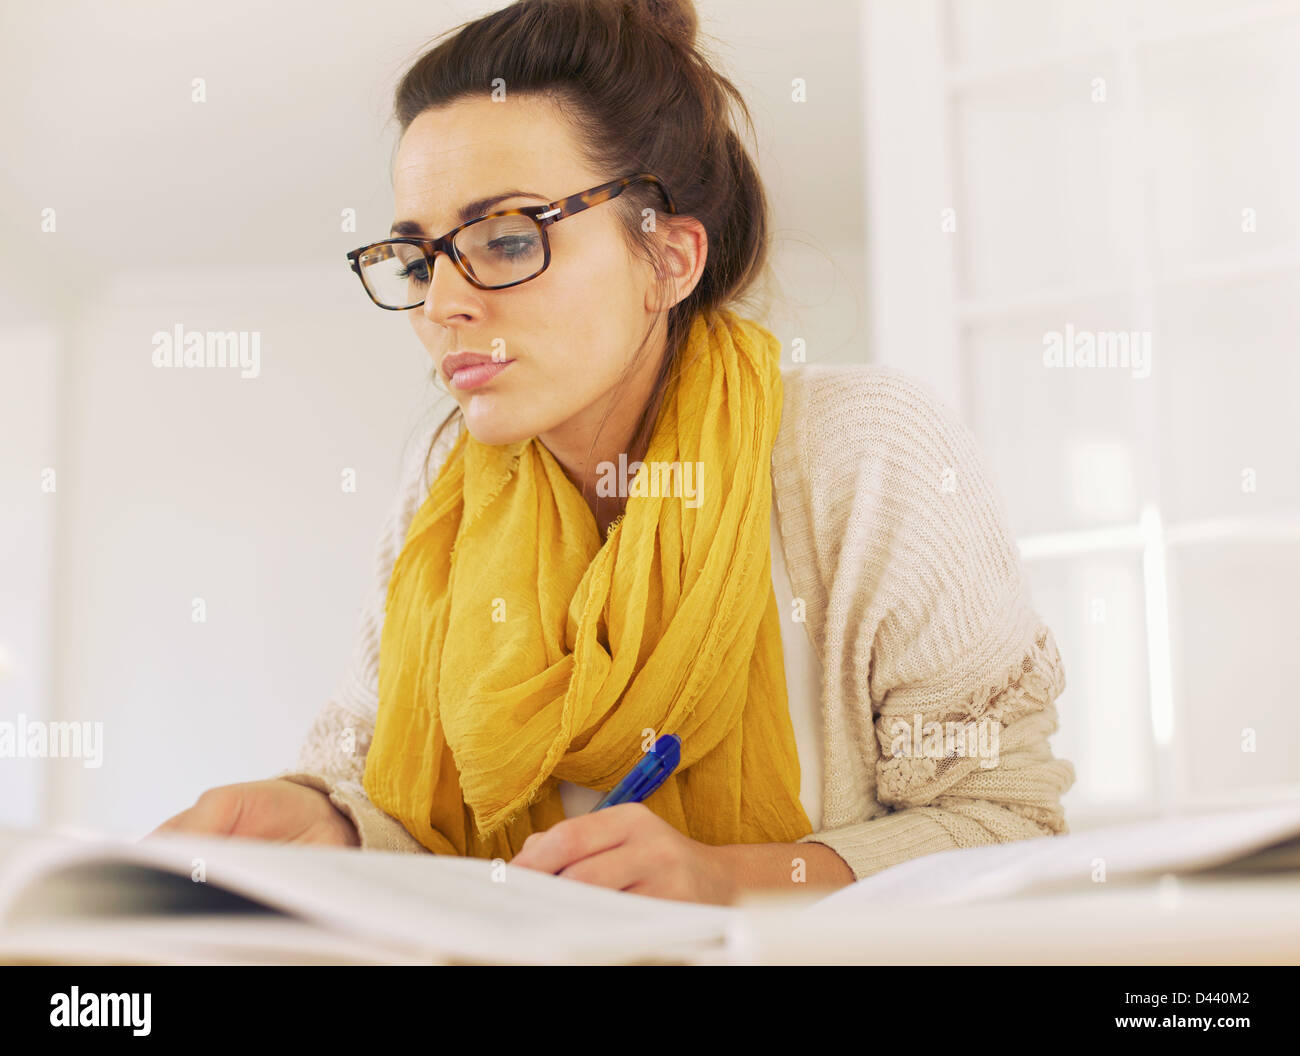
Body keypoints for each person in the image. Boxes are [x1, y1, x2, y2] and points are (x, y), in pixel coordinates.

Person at [150, 0, 1076, 907]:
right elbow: (392, 803)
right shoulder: (443, 485)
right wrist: (329, 823)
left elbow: (1000, 825)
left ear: (669, 260)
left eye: (507, 239)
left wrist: (727, 882)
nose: (440, 307)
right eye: (419, 260)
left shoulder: (864, 455)